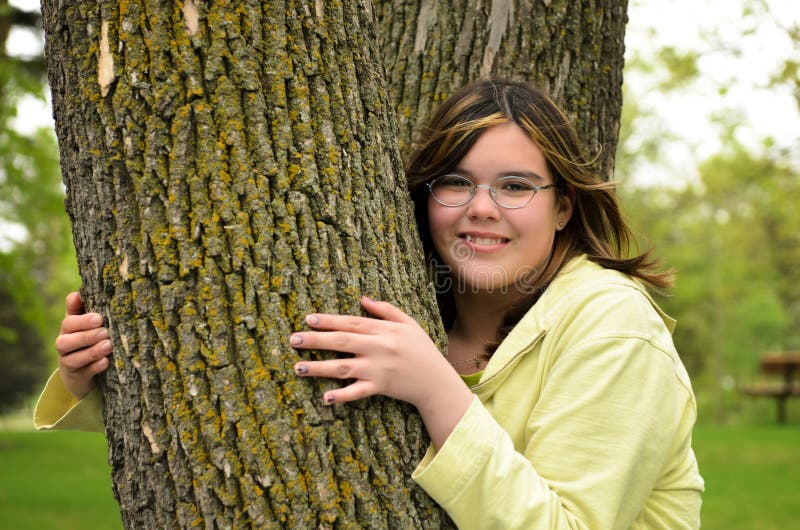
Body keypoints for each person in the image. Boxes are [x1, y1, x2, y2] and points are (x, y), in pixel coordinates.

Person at [36, 79, 703, 528]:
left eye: (515, 186)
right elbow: (225, 407)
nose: (480, 209)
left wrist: (436, 389)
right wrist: (88, 379)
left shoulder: (613, 327)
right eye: (454, 182)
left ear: (563, 206)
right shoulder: (417, 300)